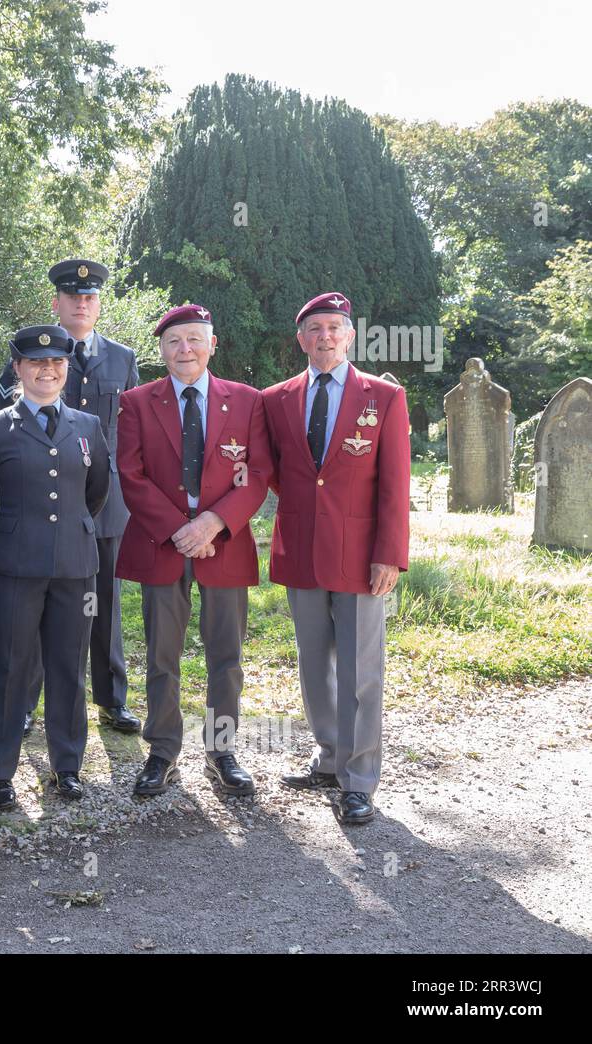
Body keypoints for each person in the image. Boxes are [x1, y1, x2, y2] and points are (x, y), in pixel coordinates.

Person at [262, 292, 411, 826]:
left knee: (359, 668)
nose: (325, 337)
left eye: (334, 327)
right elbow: (276, 470)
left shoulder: (384, 399)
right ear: (300, 338)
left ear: (350, 335)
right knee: (313, 662)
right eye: (314, 329)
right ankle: (328, 758)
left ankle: (359, 778)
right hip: (300, 548)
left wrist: (389, 555)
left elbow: (395, 484)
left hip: (360, 555)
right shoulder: (275, 398)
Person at [115, 304, 270, 799]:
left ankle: (222, 750)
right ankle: (162, 750)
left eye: (194, 339)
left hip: (223, 541)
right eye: (174, 341)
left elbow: (257, 475)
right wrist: (180, 529)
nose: (185, 349)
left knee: (226, 654)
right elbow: (131, 476)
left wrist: (212, 523)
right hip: (163, 543)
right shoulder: (137, 401)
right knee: (163, 653)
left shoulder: (247, 401)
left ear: (212, 344)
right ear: (160, 350)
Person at [0, 325, 110, 808]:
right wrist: (1, 537)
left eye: (56, 364)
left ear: (66, 370)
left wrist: (70, 529)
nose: (47, 370)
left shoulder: (88, 427)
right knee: (7, 667)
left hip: (74, 564)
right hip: (12, 569)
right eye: (36, 364)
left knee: (68, 667)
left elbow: (96, 491)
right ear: (19, 369)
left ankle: (66, 766)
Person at [0, 259, 141, 734]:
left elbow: (133, 430)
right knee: (37, 603)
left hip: (105, 501)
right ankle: (26, 703)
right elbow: (7, 424)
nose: (82, 303)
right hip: (41, 502)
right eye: (73, 296)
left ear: (99, 305)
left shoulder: (122, 359)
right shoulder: (30, 352)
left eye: (90, 296)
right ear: (55, 303)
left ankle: (111, 698)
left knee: (104, 603)